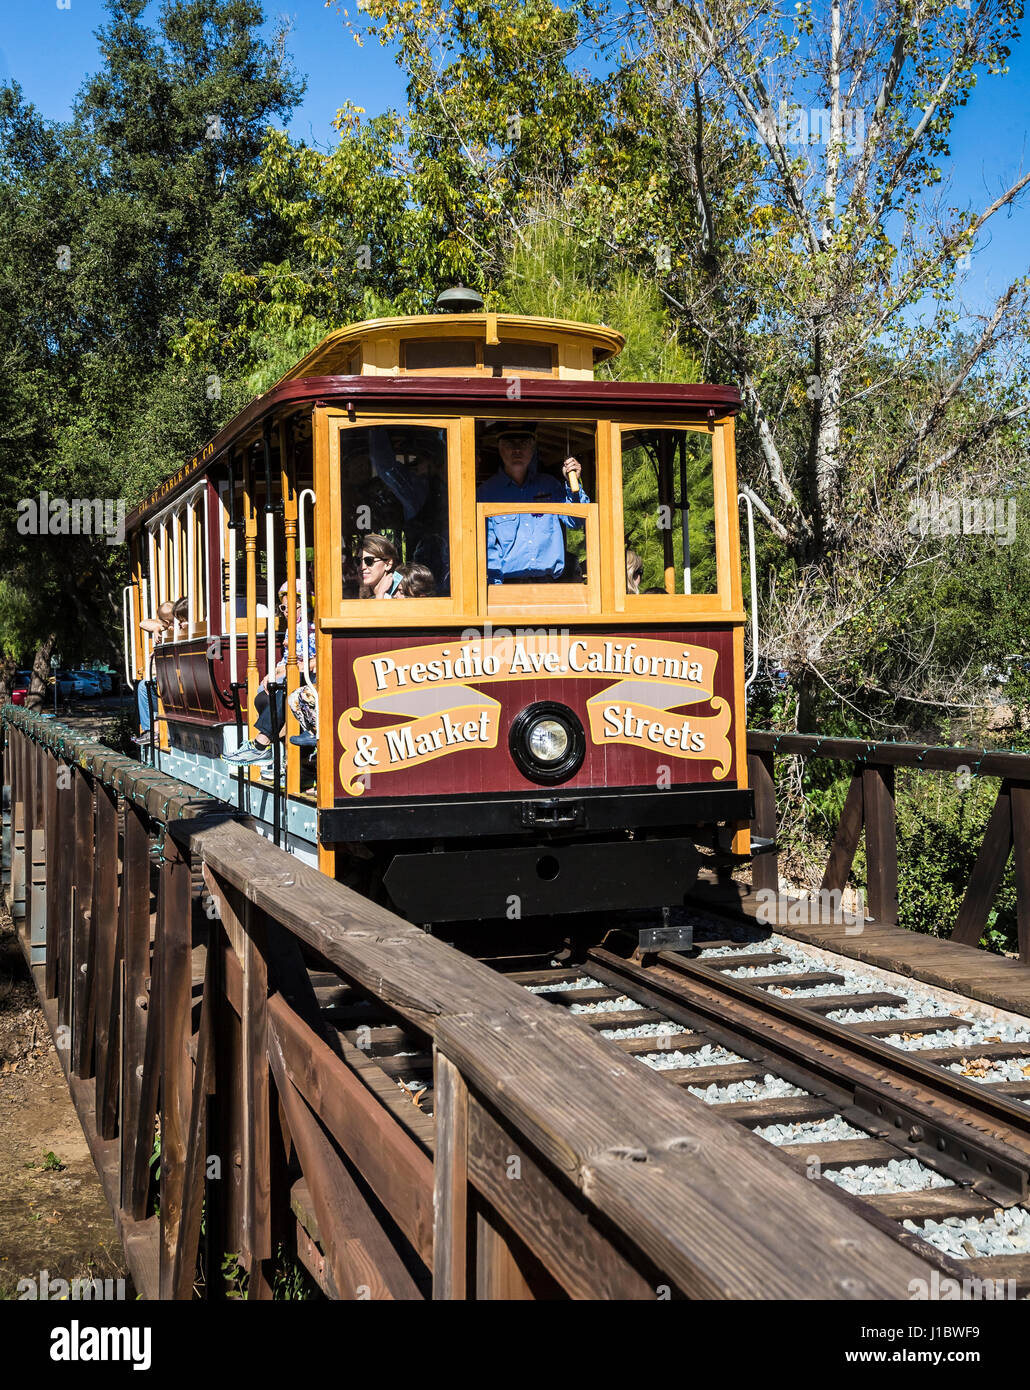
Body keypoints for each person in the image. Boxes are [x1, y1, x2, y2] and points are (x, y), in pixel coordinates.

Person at [475, 425, 586, 583]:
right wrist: (495, 590)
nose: (517, 450)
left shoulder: (550, 486)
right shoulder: (487, 493)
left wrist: (573, 484)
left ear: (533, 448)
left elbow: (576, 521)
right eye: (510, 443)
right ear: (500, 448)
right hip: (506, 587)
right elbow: (486, 546)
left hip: (549, 586)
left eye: (524, 443)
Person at [224, 582, 317, 768]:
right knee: (264, 693)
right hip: (292, 675)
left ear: (304, 605)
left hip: (308, 678)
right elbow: (285, 661)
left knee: (282, 691)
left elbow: (317, 659)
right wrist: (272, 674)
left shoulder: (313, 628)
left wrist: (285, 671)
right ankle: (280, 760)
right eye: (282, 607)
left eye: (290, 606)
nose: (285, 611)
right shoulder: (292, 628)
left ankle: (261, 745)